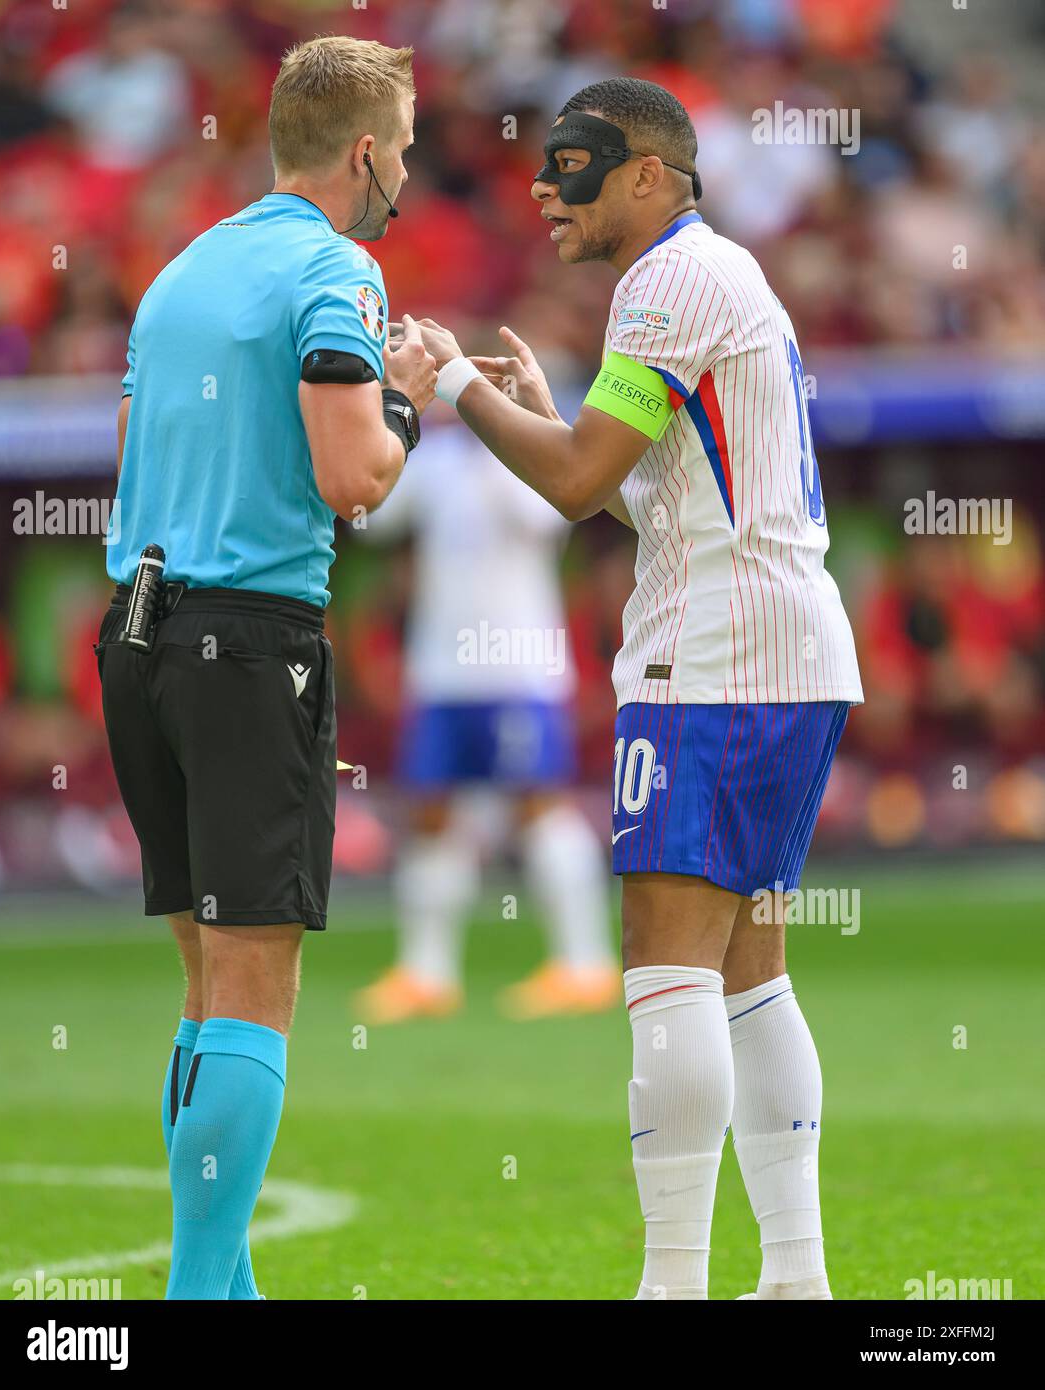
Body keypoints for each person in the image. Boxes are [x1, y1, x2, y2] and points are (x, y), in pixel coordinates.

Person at [408, 77, 863, 1300]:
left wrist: (456, 387)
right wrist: (555, 424)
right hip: (785, 650)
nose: (547, 187)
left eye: (578, 165)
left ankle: (670, 1285)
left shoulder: (662, 283)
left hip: (711, 659)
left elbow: (568, 485)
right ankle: (795, 1278)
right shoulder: (723, 273)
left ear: (650, 175)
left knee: (666, 964)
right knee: (749, 970)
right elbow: (650, 490)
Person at [97, 35, 436, 1300]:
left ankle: (223, 1282)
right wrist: (406, 399)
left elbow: (131, 449)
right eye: (400, 147)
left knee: (202, 983)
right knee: (256, 987)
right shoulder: (338, 269)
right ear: (362, 152)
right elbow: (355, 479)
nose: (404, 169)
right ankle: (198, 1297)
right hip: (250, 644)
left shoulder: (179, 269)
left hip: (137, 635)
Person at [352, 426, 619, 1024]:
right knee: (430, 811)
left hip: (518, 667)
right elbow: (376, 515)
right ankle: (426, 974)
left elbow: (548, 518)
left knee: (538, 806)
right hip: (442, 669)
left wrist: (501, 442)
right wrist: (402, 429)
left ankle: (585, 965)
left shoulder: (535, 448)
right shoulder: (436, 458)